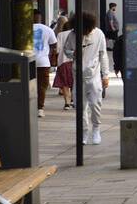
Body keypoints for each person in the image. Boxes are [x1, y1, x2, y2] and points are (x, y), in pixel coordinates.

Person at [67, 12, 111, 144]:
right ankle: (84, 132)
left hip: (94, 76)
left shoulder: (98, 34)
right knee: (80, 107)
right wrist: (72, 53)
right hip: (78, 75)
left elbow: (103, 55)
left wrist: (105, 75)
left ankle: (96, 129)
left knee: (95, 104)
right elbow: (66, 50)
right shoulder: (72, 35)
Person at [30, 10, 57, 119]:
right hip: (43, 62)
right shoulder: (48, 30)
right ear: (40, 17)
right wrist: (50, 54)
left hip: (29, 61)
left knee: (29, 85)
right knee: (42, 86)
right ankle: (40, 108)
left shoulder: (25, 29)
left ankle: (29, 106)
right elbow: (54, 45)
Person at [54, 13, 76, 110]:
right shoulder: (74, 34)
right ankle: (73, 100)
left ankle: (67, 103)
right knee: (74, 82)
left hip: (62, 61)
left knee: (65, 83)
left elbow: (58, 49)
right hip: (74, 61)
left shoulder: (60, 35)